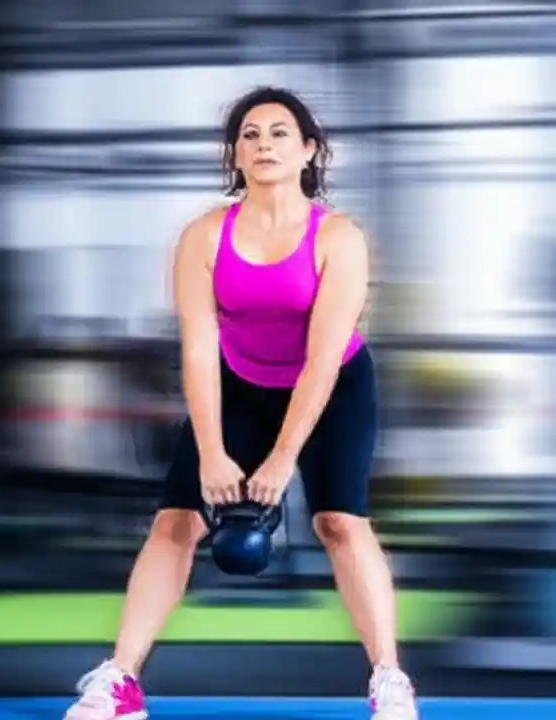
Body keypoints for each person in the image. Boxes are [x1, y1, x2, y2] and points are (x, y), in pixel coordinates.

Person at [63, 86, 418, 720]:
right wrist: (212, 454)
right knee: (176, 521)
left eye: (280, 133)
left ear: (309, 149)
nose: (264, 145)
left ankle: (389, 681)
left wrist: (282, 461)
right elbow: (199, 349)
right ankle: (120, 683)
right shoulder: (204, 236)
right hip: (239, 383)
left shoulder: (340, 238)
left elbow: (320, 357)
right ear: (235, 152)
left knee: (339, 522)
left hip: (333, 385)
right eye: (250, 134)